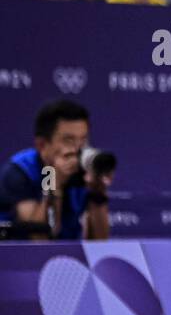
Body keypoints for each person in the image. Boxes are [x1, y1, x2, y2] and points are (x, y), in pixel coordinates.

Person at [0, 99, 111, 241]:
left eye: (83, 140)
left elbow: (99, 242)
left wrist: (98, 194)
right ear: (42, 145)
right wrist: (54, 182)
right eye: (69, 140)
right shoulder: (19, 171)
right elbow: (39, 238)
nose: (77, 149)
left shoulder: (82, 170)